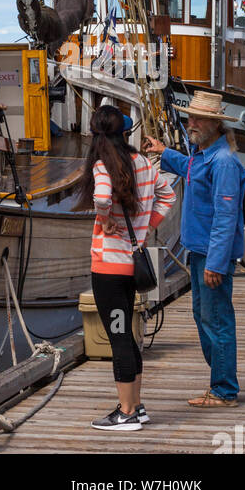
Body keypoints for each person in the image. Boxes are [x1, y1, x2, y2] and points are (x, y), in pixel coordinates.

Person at [75, 105, 176, 431]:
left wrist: (105, 220)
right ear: (124, 132)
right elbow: (168, 195)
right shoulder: (144, 163)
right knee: (127, 335)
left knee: (118, 337)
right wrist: (146, 227)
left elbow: (102, 199)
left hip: (109, 270)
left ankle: (127, 412)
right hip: (131, 267)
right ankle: (135, 405)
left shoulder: (104, 166)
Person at [144, 90, 245, 407]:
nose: (191, 123)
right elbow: (190, 168)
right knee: (205, 317)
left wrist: (216, 263)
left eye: (198, 119)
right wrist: (165, 151)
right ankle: (219, 384)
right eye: (190, 117)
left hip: (211, 256)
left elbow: (227, 217)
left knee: (216, 320)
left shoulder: (224, 162)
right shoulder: (206, 155)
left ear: (215, 124)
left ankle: (224, 390)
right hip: (200, 251)